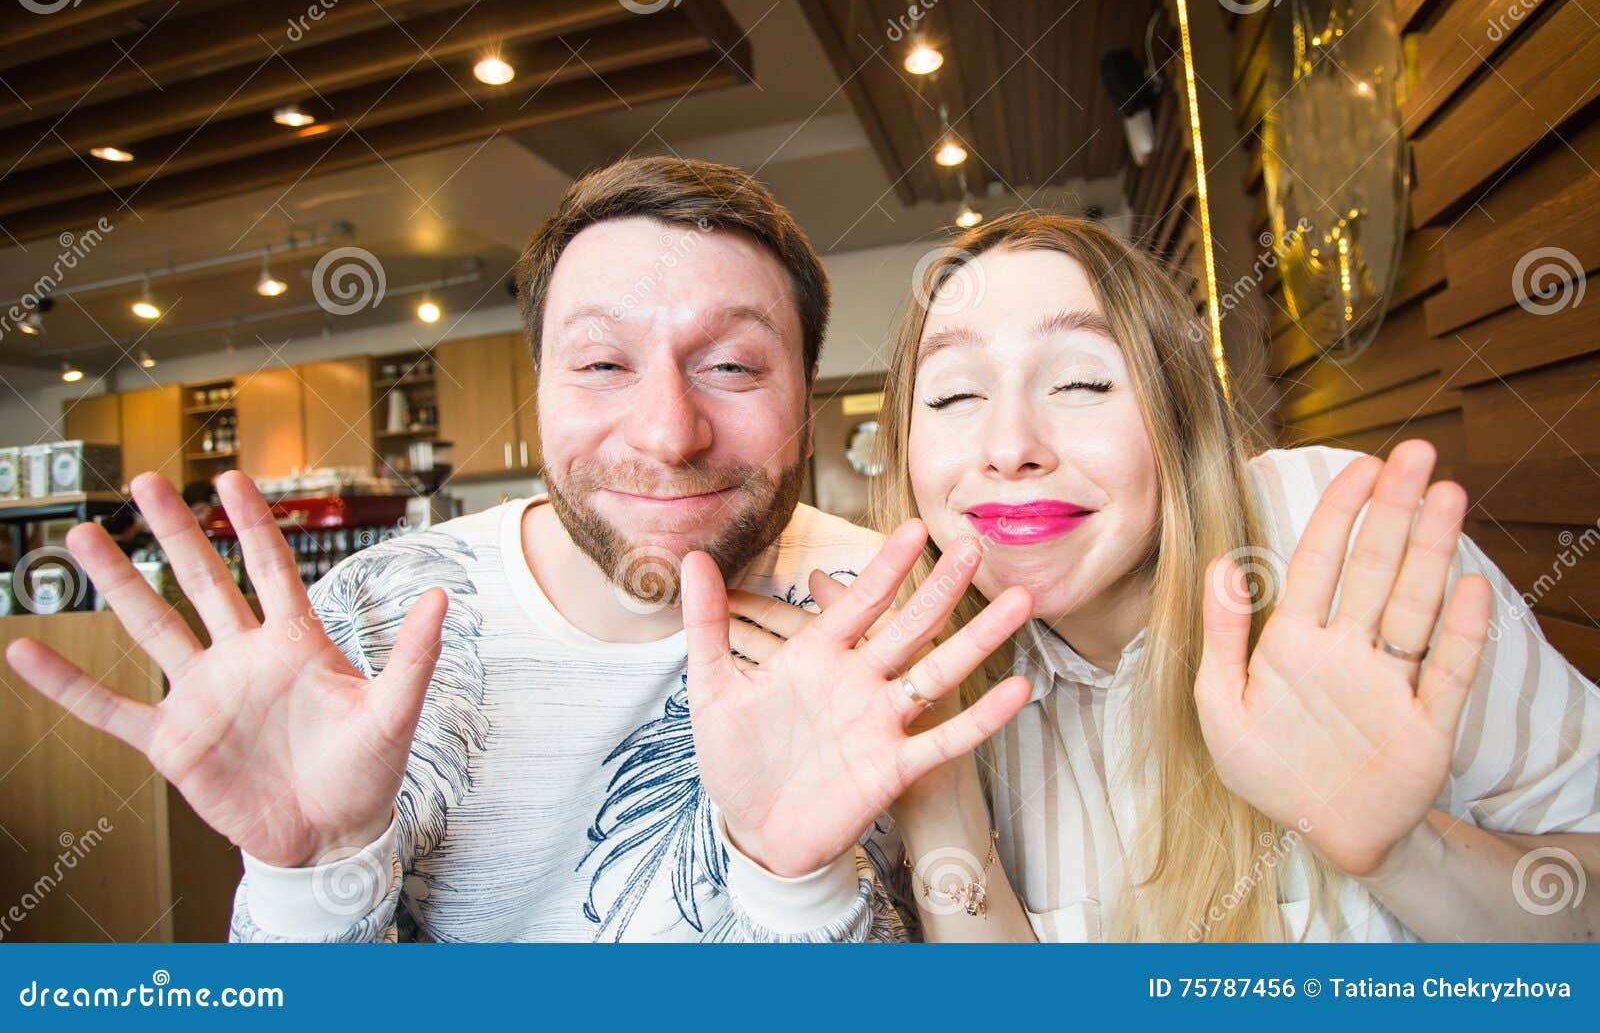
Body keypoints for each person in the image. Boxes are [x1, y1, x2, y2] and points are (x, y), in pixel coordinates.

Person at [3, 157, 1029, 942]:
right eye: (600, 362)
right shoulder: (368, 617)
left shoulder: (907, 617)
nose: (668, 432)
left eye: (728, 363)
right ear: (537, 396)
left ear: (804, 405)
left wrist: (797, 883)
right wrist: (312, 876)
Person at [721, 212, 1600, 941]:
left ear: (1177, 416)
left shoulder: (1334, 545)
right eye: (953, 397)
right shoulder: (923, 679)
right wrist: (941, 807)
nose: (1009, 447)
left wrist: (1406, 852)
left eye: (1080, 381)